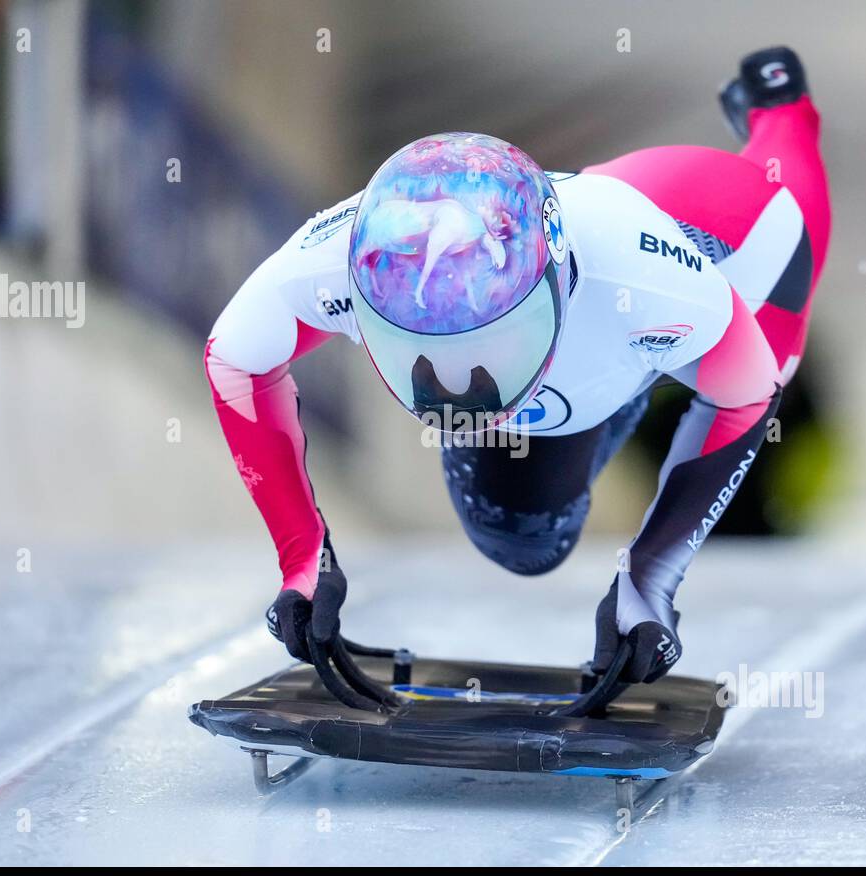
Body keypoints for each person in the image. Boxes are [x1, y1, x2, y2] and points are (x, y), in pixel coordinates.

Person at [206, 47, 830, 685]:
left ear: (557, 287)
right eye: (417, 344)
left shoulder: (654, 288)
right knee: (521, 539)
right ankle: (615, 382)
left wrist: (650, 580)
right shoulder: (333, 261)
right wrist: (303, 558)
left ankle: (783, 113)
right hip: (606, 309)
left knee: (767, 345)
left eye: (486, 341)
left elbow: (743, 398)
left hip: (738, 243)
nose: (453, 380)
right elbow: (234, 364)